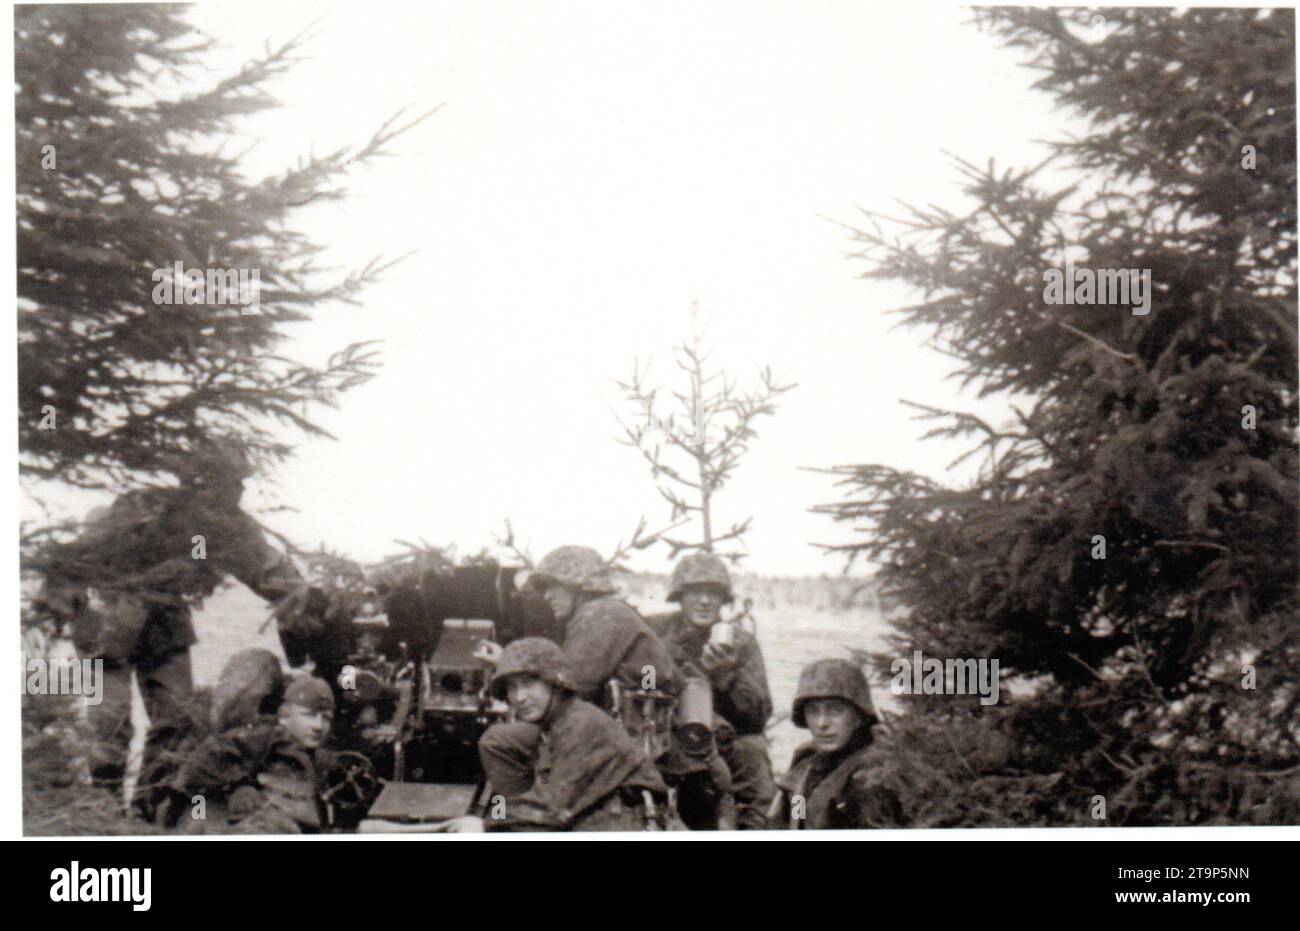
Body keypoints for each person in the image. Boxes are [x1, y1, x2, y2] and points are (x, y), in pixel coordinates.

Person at [30, 439, 326, 792]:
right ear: (202, 481)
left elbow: (268, 570)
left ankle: (150, 804)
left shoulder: (230, 527)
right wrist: (57, 602)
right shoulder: (144, 506)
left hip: (165, 627)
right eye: (232, 481)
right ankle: (103, 809)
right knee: (109, 721)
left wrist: (314, 606)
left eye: (240, 482)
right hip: (107, 632)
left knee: (177, 717)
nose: (240, 490)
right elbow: (78, 555)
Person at [443, 637, 669, 832]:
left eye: (529, 684)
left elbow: (553, 809)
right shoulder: (557, 723)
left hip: (629, 821)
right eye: (512, 687)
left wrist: (486, 823)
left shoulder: (581, 725)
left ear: (556, 684)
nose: (519, 697)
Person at [646, 552, 777, 829]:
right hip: (669, 736)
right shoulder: (656, 632)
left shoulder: (741, 643)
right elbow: (639, 682)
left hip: (724, 744)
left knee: (752, 752)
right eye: (695, 592)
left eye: (713, 594)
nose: (704, 601)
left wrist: (725, 677)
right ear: (680, 596)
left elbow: (758, 716)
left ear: (723, 600)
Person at [167, 675, 347, 834]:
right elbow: (208, 755)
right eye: (309, 715)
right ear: (285, 716)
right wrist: (238, 785)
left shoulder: (320, 757)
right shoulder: (264, 736)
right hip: (222, 817)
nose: (318, 726)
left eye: (327, 718)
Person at [769, 657, 899, 830]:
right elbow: (796, 818)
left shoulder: (872, 775)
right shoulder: (805, 766)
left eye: (835, 710)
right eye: (813, 711)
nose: (822, 723)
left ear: (859, 716)